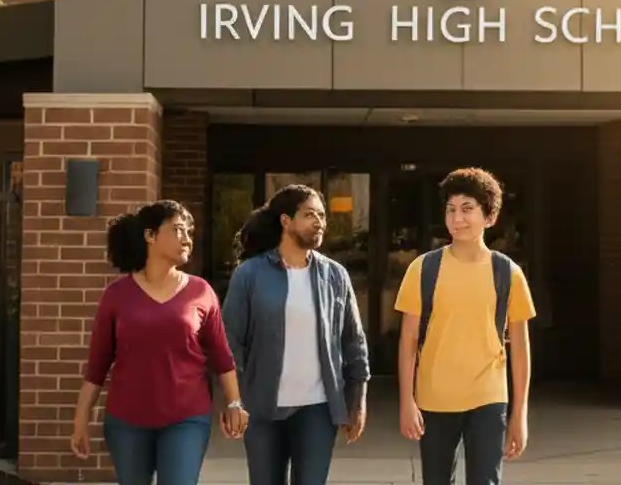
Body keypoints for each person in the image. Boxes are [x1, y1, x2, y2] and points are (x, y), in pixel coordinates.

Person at [69, 199, 245, 485]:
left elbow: (222, 357)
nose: (187, 238)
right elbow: (97, 366)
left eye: (189, 231)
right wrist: (81, 419)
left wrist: (234, 402)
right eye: (178, 230)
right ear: (150, 236)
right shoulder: (117, 295)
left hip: (186, 418)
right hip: (127, 421)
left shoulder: (201, 292)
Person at [395, 168, 537, 485]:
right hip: (434, 398)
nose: (457, 218)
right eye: (451, 209)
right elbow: (408, 341)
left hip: (488, 398)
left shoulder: (508, 273)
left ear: (490, 217)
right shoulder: (424, 269)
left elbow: (521, 350)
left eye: (467, 208)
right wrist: (406, 401)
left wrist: (519, 414)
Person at [222, 183, 371, 485]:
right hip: (262, 409)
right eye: (309, 214)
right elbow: (229, 343)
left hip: (317, 409)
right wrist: (233, 402)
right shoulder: (249, 275)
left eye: (322, 215)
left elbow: (354, 343)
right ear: (286, 220)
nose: (319, 222)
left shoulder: (335, 275)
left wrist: (357, 401)